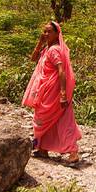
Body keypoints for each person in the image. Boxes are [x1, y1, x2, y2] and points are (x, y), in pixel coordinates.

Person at [23, 20, 81, 164]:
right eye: (45, 31)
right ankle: (42, 148)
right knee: (54, 120)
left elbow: (61, 71)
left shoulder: (54, 50)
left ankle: (73, 152)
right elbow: (33, 59)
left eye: (50, 31)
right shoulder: (47, 49)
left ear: (57, 34)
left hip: (54, 92)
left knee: (58, 120)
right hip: (47, 90)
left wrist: (62, 94)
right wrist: (40, 42)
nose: (46, 34)